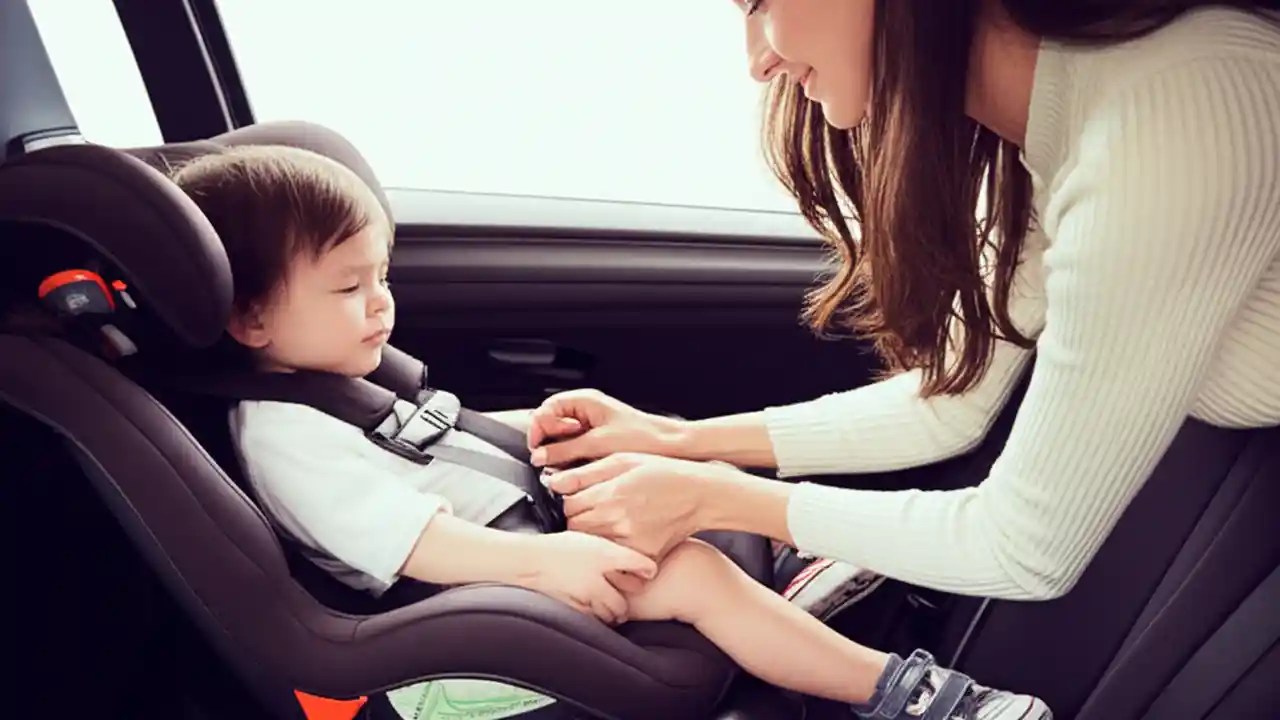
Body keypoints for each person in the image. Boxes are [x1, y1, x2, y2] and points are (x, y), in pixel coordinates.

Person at [169, 144, 1051, 719]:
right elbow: (414, 543)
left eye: (383, 275)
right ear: (249, 319)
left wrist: (531, 429)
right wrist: (547, 564)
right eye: (348, 288)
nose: (381, 302)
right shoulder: (285, 433)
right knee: (692, 571)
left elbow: (430, 440)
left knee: (639, 473)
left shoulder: (334, 386)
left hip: (504, 567)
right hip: (458, 641)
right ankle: (910, 695)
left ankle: (787, 581)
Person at [529, 1, 1279, 602]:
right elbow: (947, 403)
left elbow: (1026, 549)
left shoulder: (1174, 108)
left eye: (758, 2)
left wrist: (713, 498)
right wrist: (680, 442)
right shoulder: (1066, 126)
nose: (758, 61)